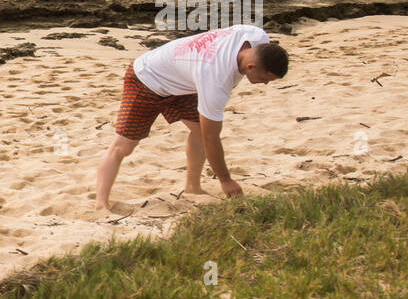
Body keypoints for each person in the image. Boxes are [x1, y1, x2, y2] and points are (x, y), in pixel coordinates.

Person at [95, 24, 288, 210]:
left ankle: (192, 187)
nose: (265, 84)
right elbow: (211, 138)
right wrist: (226, 180)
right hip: (146, 79)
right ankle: (100, 204)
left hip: (184, 84)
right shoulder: (216, 79)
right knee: (123, 146)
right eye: (264, 79)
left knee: (198, 130)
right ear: (251, 66)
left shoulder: (256, 36)